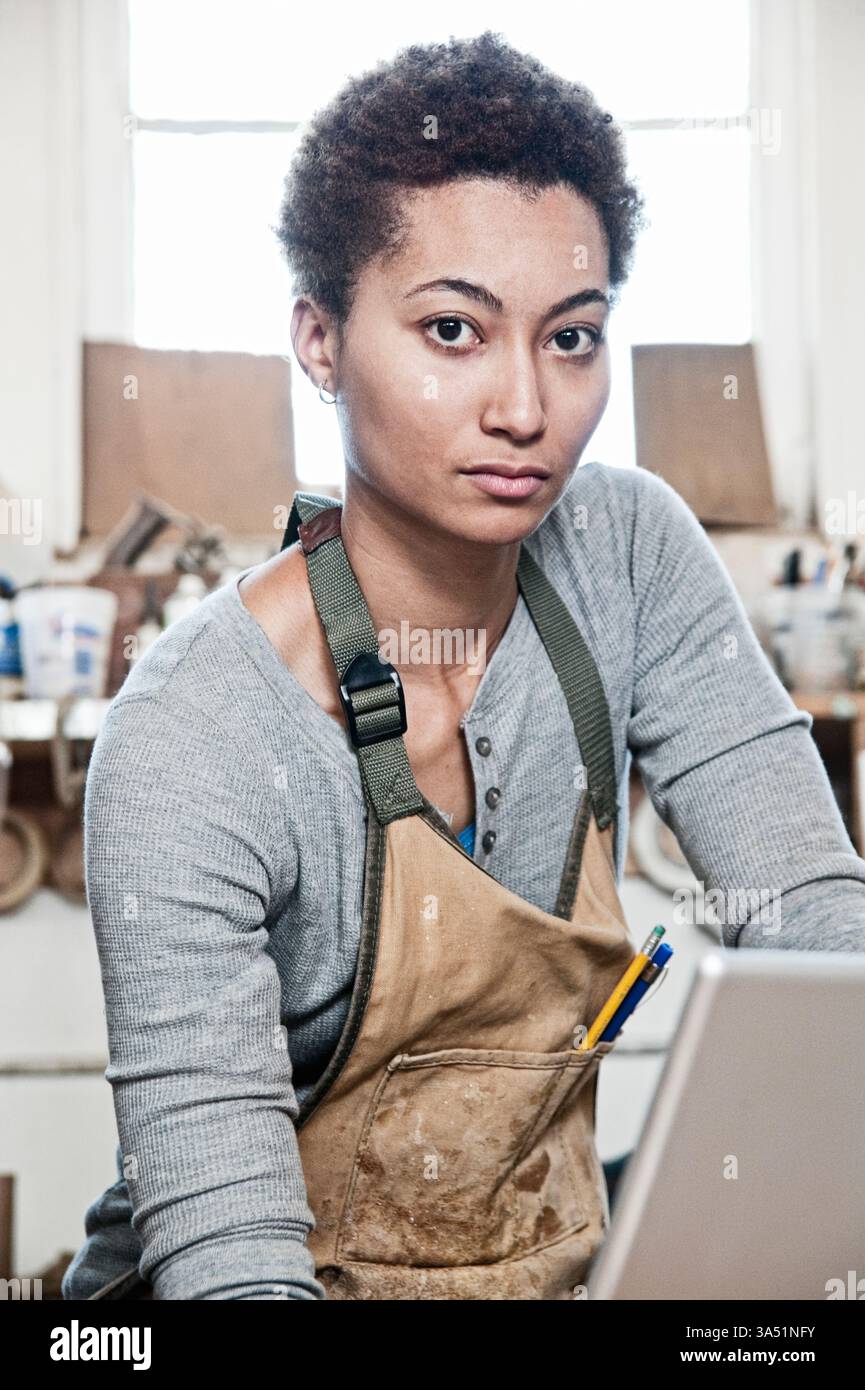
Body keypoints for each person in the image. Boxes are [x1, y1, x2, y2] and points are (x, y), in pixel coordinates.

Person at [62, 31, 865, 1303]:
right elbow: (227, 1261)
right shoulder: (192, 739)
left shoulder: (630, 554)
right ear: (319, 343)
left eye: (571, 337)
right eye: (452, 330)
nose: (523, 408)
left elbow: (822, 936)